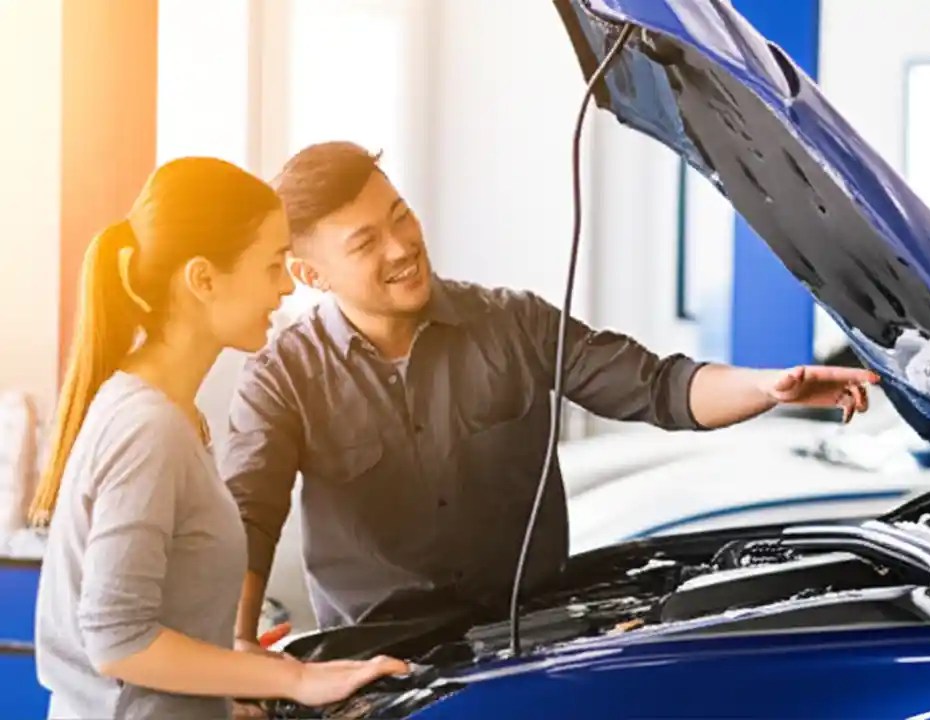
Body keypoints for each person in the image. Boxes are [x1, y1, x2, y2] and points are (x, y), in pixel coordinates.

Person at [222, 141, 879, 640]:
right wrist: (241, 648)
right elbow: (249, 521)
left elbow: (659, 387)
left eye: (401, 216)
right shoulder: (282, 379)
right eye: (366, 242)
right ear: (311, 274)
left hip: (529, 648)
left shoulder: (513, 323)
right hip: (384, 676)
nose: (401, 246)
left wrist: (767, 388)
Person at [30, 157, 407, 720]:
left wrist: (221, 693)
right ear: (203, 279)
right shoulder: (148, 429)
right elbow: (118, 641)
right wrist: (295, 678)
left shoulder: (170, 412)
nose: (286, 286)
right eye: (273, 264)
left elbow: (155, 627)